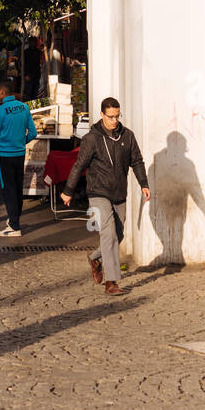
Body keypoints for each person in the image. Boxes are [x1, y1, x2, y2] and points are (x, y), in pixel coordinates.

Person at [61, 96, 151, 296]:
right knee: (108, 234)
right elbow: (79, 165)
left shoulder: (127, 136)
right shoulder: (91, 138)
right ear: (102, 114)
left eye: (117, 116)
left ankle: (94, 258)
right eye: (110, 117)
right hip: (98, 193)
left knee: (118, 235)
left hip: (119, 193)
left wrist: (144, 184)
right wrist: (68, 190)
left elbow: (136, 161)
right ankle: (112, 281)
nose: (114, 121)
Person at [0, 77, 37, 238]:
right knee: (17, 187)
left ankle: (14, 225)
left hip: (5, 155)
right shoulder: (24, 107)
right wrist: (22, 141)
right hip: (20, 153)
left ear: (1, 92)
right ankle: (14, 220)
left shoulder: (0, 111)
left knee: (8, 189)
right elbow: (33, 133)